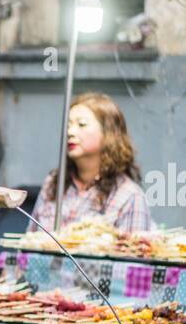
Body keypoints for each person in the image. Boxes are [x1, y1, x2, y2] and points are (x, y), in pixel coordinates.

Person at [32, 92, 153, 233]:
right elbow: (28, 242)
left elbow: (132, 252)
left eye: (81, 124)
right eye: (68, 125)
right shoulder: (53, 183)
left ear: (108, 134)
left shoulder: (129, 196)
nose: (70, 132)